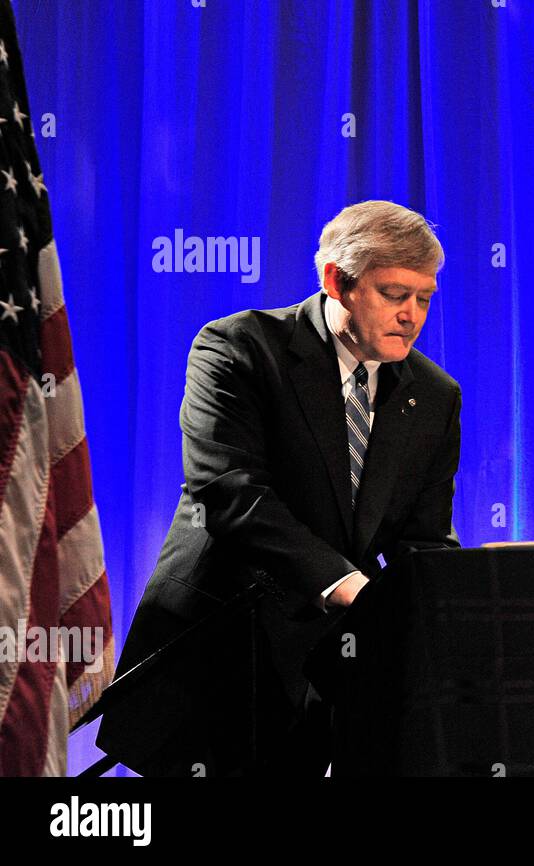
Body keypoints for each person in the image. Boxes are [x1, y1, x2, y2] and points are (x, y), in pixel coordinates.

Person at [96, 201, 462, 776]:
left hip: (328, 674)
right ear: (336, 281)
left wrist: (451, 608)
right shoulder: (239, 348)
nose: (413, 316)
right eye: (395, 295)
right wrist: (350, 588)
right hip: (221, 657)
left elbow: (423, 537)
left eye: (425, 298)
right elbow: (231, 493)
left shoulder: (434, 394)